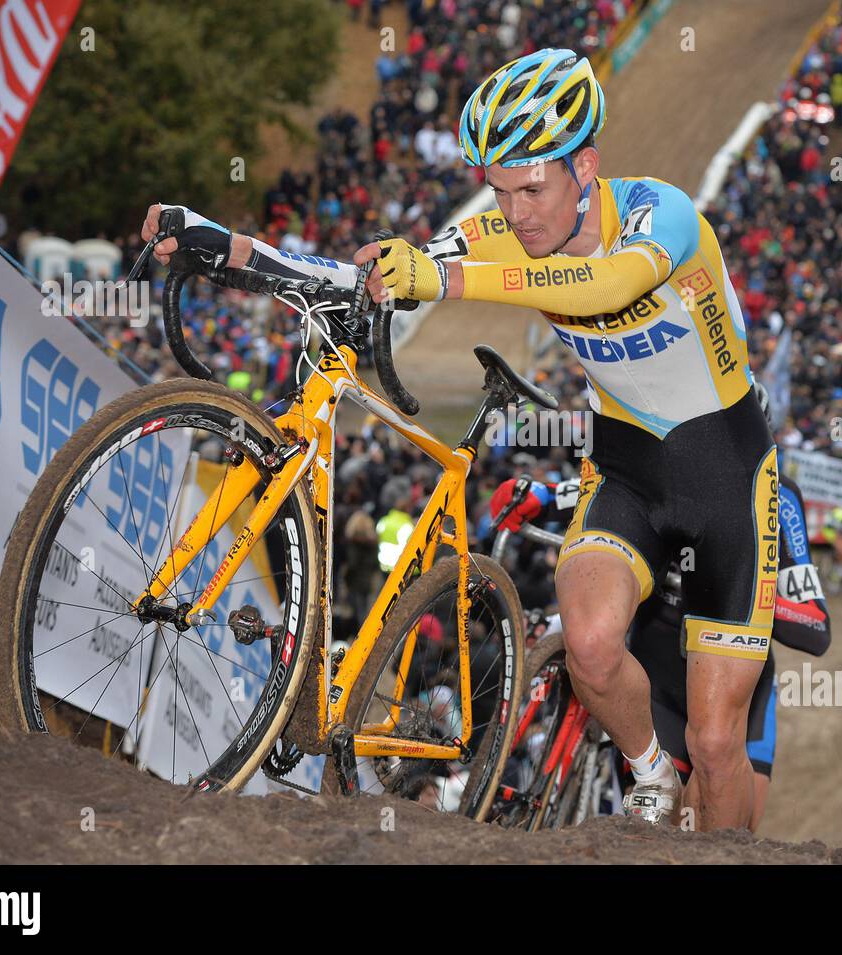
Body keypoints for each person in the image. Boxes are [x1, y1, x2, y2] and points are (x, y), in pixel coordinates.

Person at [142, 48, 774, 831]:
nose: (517, 214)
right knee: (589, 645)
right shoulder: (507, 228)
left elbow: (610, 283)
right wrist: (226, 247)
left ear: (586, 165)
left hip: (727, 475)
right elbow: (362, 275)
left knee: (718, 741)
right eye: (501, 192)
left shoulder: (661, 213)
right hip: (628, 465)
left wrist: (449, 278)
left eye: (533, 188)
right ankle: (648, 769)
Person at [490, 382, 831, 832]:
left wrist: (759, 591)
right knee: (658, 826)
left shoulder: (779, 499)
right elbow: (588, 494)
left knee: (731, 828)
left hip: (735, 683)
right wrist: (539, 494)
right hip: (656, 673)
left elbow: (816, 629)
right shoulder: (665, 473)